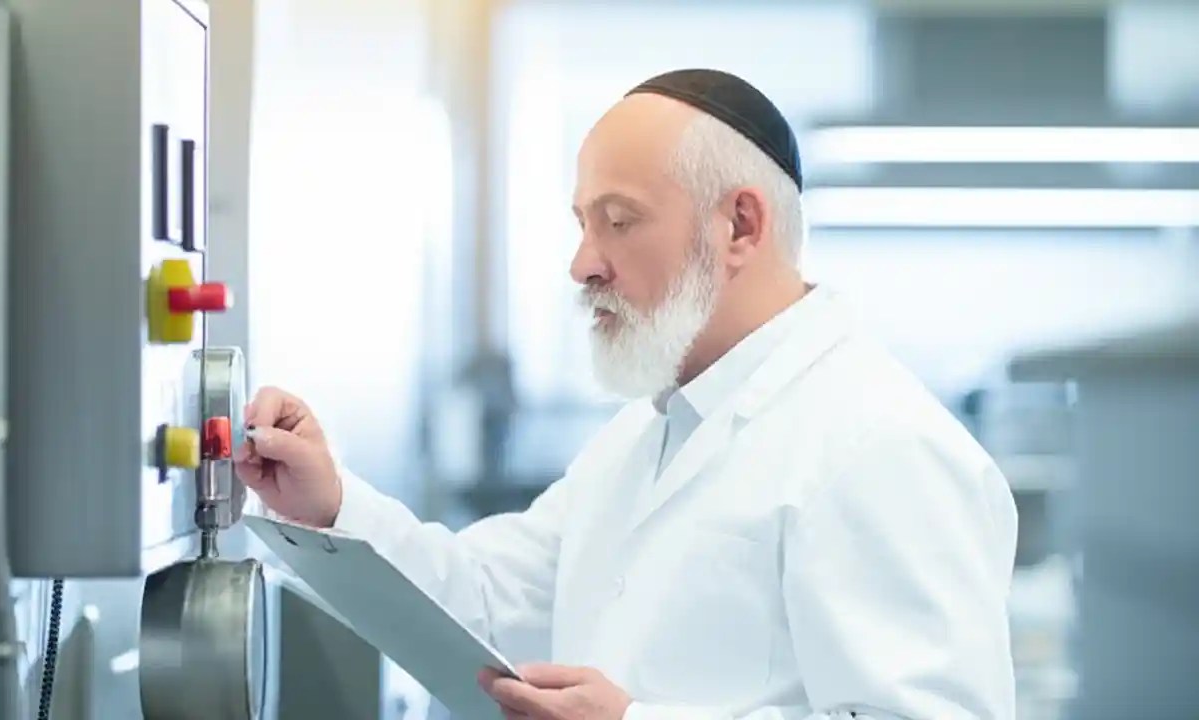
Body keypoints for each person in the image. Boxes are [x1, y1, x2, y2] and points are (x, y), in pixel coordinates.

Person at [237, 69, 1018, 720]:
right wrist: (329, 506)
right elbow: (484, 605)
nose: (583, 264)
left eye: (619, 221)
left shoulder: (879, 444)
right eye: (583, 224)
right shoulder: (644, 438)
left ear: (740, 226)